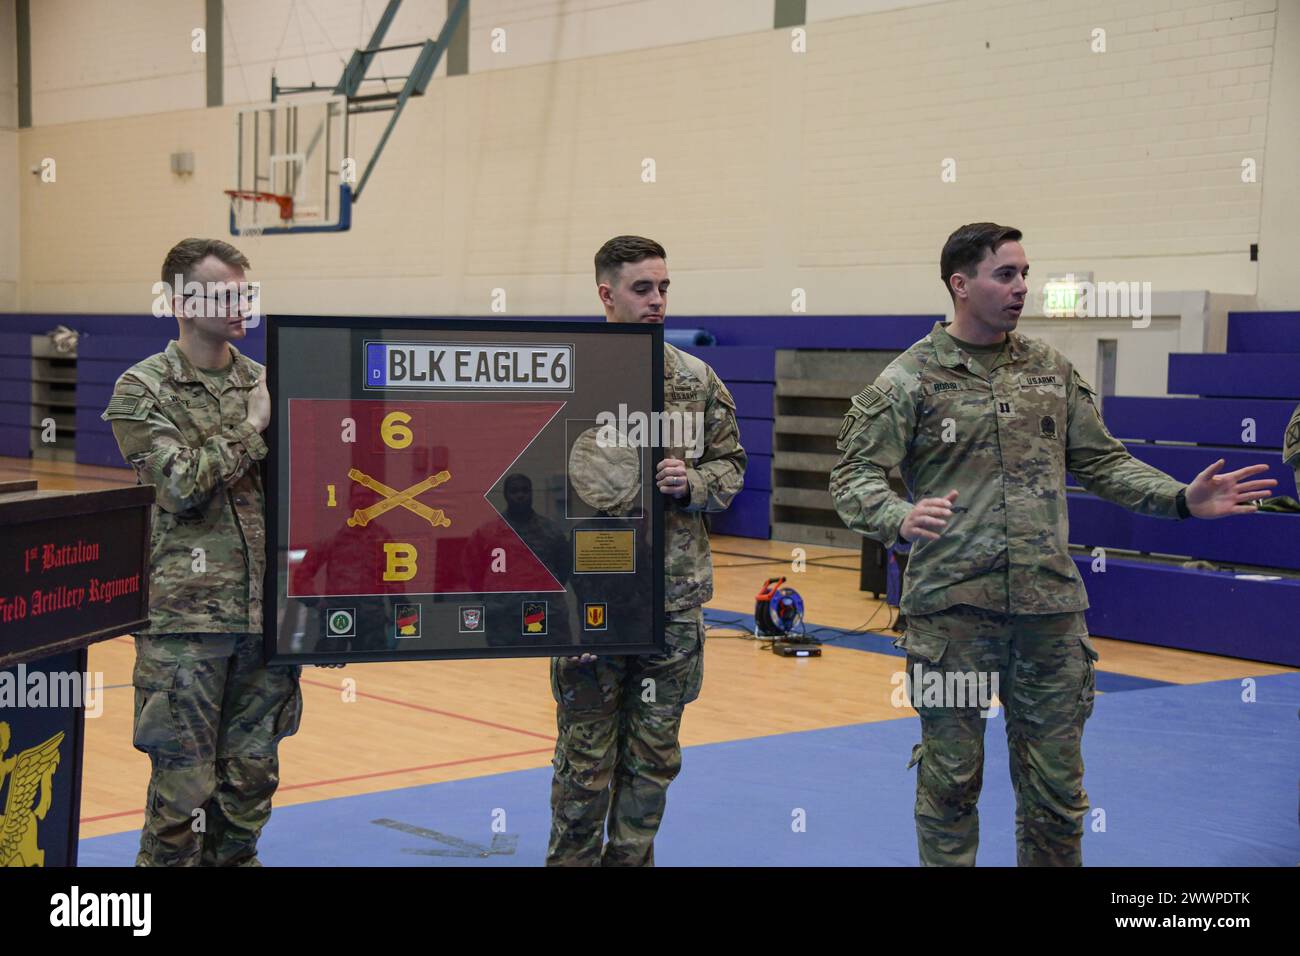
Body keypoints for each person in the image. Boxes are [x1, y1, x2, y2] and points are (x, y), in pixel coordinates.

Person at [830, 222, 1277, 867]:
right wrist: (897, 515)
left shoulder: (1050, 371)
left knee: (1057, 794)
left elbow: (1102, 461)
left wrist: (1181, 498)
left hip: (1048, 618)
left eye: (1023, 274)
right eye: (1004, 275)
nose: (1021, 289)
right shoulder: (910, 380)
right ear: (960, 284)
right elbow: (852, 475)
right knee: (951, 785)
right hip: (954, 619)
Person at [546, 235, 747, 866]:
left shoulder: (695, 380)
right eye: (642, 288)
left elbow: (733, 464)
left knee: (654, 762)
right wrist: (560, 603)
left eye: (664, 288)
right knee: (584, 767)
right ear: (606, 294)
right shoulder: (567, 375)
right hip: (590, 606)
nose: (657, 300)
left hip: (672, 603)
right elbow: (528, 494)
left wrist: (697, 484)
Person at [102, 238, 302, 866]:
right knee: (181, 803)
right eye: (226, 291)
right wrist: (250, 429)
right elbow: (178, 485)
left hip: (261, 627)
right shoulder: (143, 390)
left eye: (247, 289)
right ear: (182, 302)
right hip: (185, 630)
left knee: (249, 791)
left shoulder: (266, 381)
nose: (243, 301)